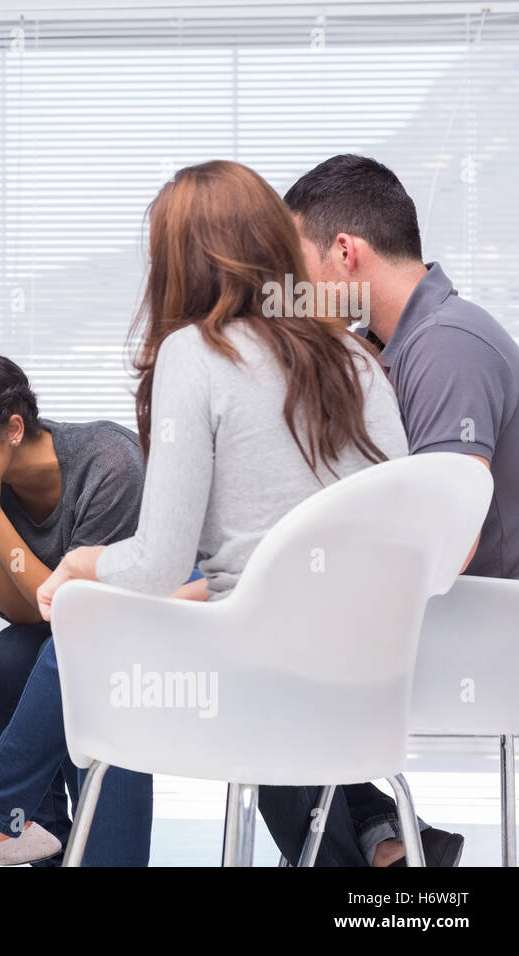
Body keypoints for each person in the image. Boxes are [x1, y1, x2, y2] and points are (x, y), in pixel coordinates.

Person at [0, 159, 409, 866]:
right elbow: (364, 536)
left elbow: (156, 565)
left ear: (179, 263)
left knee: (85, 633)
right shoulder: (353, 357)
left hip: (258, 666)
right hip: (371, 673)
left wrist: (83, 564)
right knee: (33, 647)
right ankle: (9, 816)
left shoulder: (196, 354)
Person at [256, 154, 519, 867]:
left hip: (476, 628)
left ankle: (379, 854)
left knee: (260, 682)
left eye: (295, 264)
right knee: (262, 674)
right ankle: (388, 845)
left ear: (345, 253)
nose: (292, 291)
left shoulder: (447, 346)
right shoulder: (394, 348)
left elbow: (449, 529)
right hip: (444, 616)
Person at [0, 347, 151, 866]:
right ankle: (40, 839)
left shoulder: (109, 466)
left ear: (13, 429)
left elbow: (82, 614)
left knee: (73, 657)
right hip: (81, 636)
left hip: (145, 644)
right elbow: (17, 612)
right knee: (11, 654)